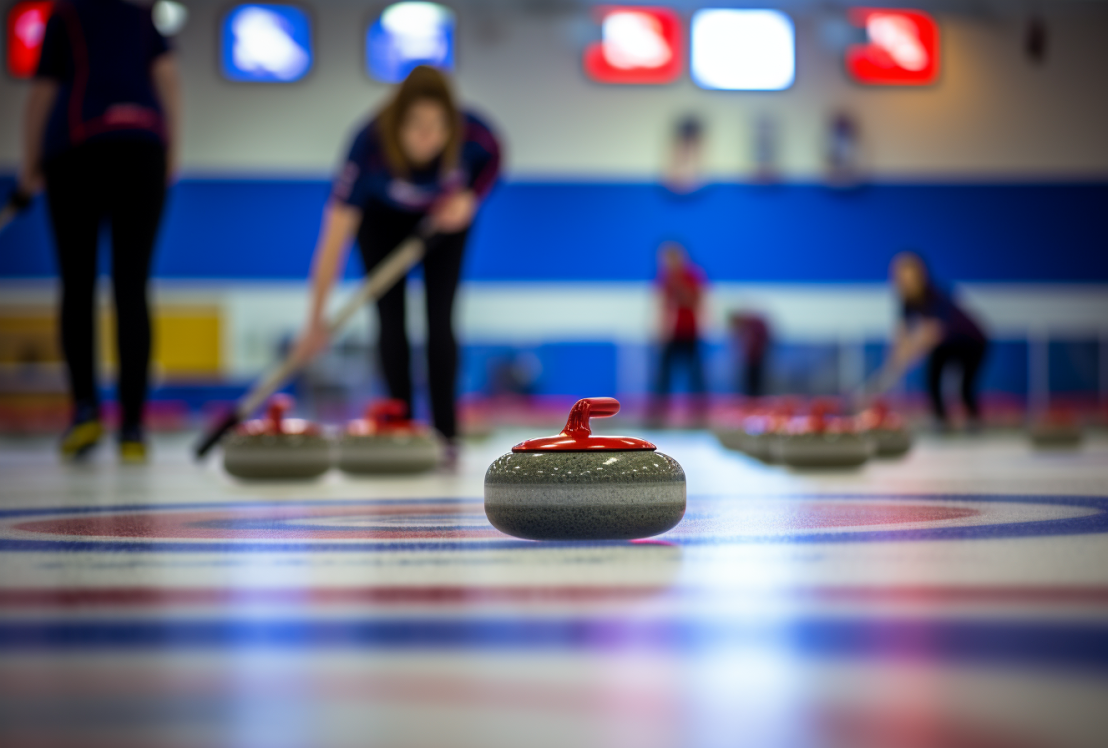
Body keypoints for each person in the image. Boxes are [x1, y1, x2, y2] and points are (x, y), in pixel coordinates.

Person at [294, 66, 500, 457]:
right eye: (416, 125)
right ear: (397, 123)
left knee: (441, 319)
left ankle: (445, 434)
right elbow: (333, 241)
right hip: (380, 223)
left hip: (444, 221)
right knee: (391, 320)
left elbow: (493, 159)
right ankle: (401, 427)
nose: (428, 137)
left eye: (438, 126)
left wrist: (470, 198)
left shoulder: (475, 134)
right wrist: (314, 323)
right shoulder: (367, 145)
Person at [18, 0, 182, 462]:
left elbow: (43, 93)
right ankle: (132, 427)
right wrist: (172, 148)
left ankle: (85, 413)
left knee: (78, 284)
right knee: (133, 287)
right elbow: (168, 80)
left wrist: (30, 164)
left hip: (76, 148)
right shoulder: (141, 14)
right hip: (143, 149)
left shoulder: (65, 16)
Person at [873, 251, 989, 428]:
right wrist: (893, 362)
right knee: (931, 378)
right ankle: (941, 421)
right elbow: (902, 337)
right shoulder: (906, 301)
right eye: (900, 279)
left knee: (965, 387)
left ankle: (974, 422)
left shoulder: (936, 296)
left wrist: (907, 355)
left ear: (920, 276)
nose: (905, 283)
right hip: (945, 345)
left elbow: (932, 333)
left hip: (971, 343)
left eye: (909, 278)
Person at [649, 243, 706, 426]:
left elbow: (695, 301)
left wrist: (679, 285)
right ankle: (658, 416)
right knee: (663, 376)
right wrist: (660, 332)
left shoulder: (692, 276)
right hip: (672, 334)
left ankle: (699, 416)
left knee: (696, 376)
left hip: (690, 332)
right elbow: (664, 307)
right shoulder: (665, 278)